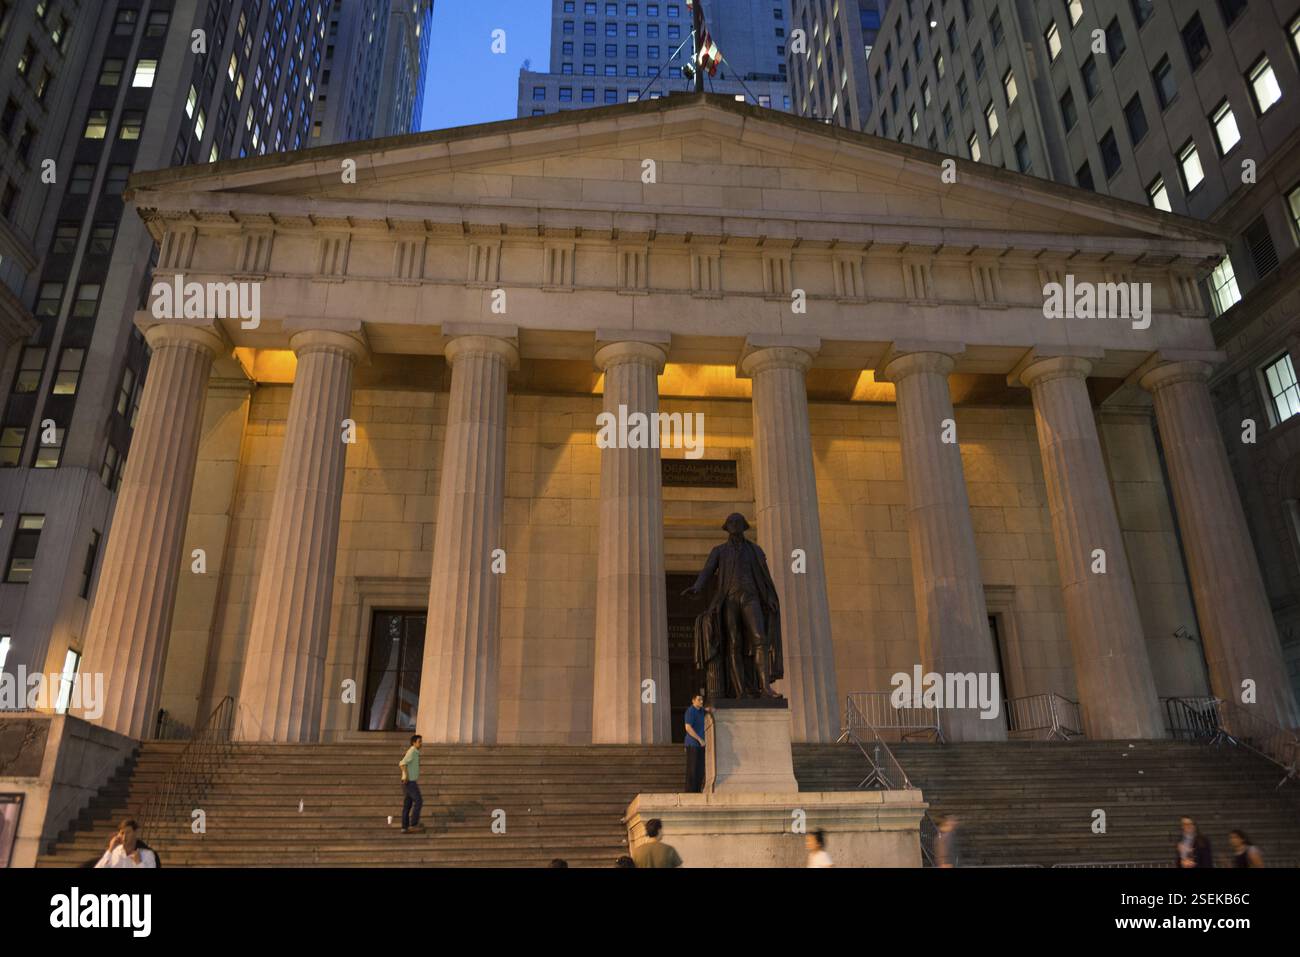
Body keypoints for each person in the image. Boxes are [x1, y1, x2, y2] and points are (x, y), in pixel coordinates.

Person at [94, 819, 158, 868]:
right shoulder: (114, 852)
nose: (124, 837)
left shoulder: (147, 854)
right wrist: (110, 850)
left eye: (128, 832)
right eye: (122, 833)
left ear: (135, 833)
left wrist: (139, 863)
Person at [399, 734, 425, 834]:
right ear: (414, 743)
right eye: (419, 742)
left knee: (407, 804)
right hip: (409, 782)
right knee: (419, 801)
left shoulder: (415, 752)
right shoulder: (412, 751)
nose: (421, 743)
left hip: (408, 782)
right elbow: (402, 763)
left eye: (421, 741)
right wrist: (405, 775)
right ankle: (413, 824)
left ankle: (404, 827)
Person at [684, 692, 708, 793]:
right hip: (693, 744)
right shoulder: (691, 711)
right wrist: (699, 739)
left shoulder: (702, 711)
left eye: (702, 700)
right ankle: (690, 792)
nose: (701, 701)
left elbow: (709, 710)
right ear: (693, 701)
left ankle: (697, 791)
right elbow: (688, 728)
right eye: (699, 700)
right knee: (692, 769)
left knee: (700, 769)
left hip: (701, 745)